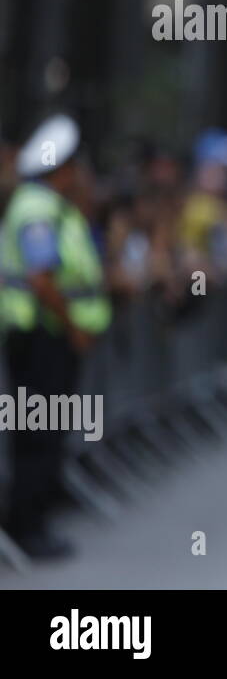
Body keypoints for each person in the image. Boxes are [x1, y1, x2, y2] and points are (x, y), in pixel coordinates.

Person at [0, 115, 111, 559]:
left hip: (49, 335)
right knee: (38, 431)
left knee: (45, 429)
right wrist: (73, 326)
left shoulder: (50, 204)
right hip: (41, 335)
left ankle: (35, 513)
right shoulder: (38, 208)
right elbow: (43, 280)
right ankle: (29, 528)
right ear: (59, 168)